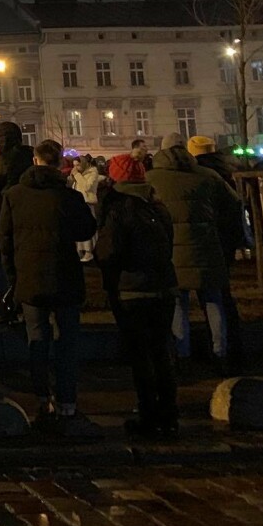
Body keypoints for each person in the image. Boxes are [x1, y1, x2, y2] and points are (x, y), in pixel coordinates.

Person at [0, 140, 99, 435]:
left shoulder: (14, 195)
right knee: (67, 342)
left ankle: (41, 401)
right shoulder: (67, 197)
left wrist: (12, 275)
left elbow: (4, 239)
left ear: (35, 160)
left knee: (37, 340)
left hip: (29, 278)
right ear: (58, 164)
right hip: (65, 275)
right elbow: (86, 230)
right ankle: (67, 403)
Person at [96, 157, 179, 438]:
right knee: (161, 352)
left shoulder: (119, 209)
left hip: (132, 290)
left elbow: (109, 252)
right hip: (164, 287)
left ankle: (148, 415)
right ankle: (168, 414)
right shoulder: (157, 205)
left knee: (141, 356)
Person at [147, 133, 234, 368]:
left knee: (178, 302)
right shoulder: (208, 175)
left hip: (172, 249)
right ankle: (220, 351)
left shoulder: (152, 179)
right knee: (213, 300)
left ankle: (182, 353)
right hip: (207, 245)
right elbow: (232, 204)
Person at [0, 122, 34, 323]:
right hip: (27, 216)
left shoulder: (2, 161)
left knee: (3, 262)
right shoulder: (29, 157)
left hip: (5, 215)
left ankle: (8, 308)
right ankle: (26, 305)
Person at [70, 155, 102, 262]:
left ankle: (89, 251)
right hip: (79, 202)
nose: (76, 168)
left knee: (87, 226)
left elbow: (87, 187)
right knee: (79, 226)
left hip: (88, 202)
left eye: (78, 165)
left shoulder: (92, 173)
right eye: (74, 165)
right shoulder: (81, 174)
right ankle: (80, 250)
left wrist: (77, 175)